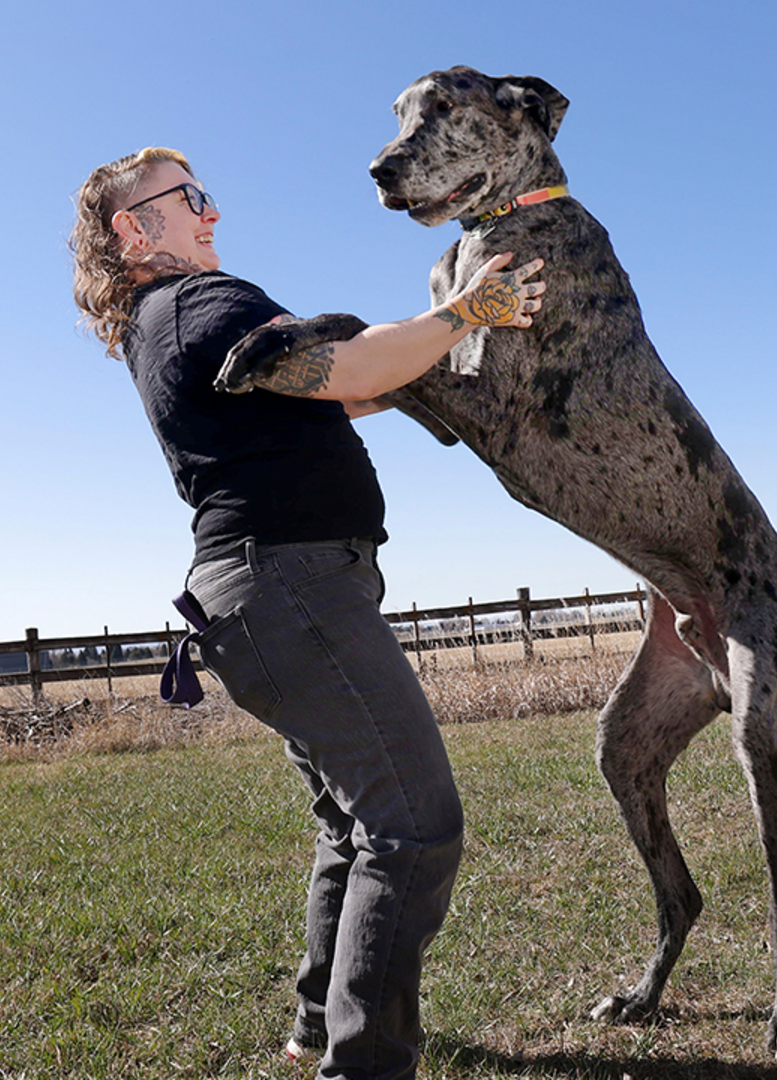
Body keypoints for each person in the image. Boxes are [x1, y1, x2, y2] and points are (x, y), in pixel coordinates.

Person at [70, 147, 547, 1080]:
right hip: (290, 586)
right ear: (134, 228)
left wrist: (440, 344)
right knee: (414, 828)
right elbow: (351, 366)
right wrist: (468, 310)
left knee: (352, 827)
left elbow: (350, 389)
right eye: (189, 197)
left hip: (267, 596)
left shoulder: (164, 324)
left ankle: (318, 1029)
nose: (211, 211)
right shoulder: (202, 303)